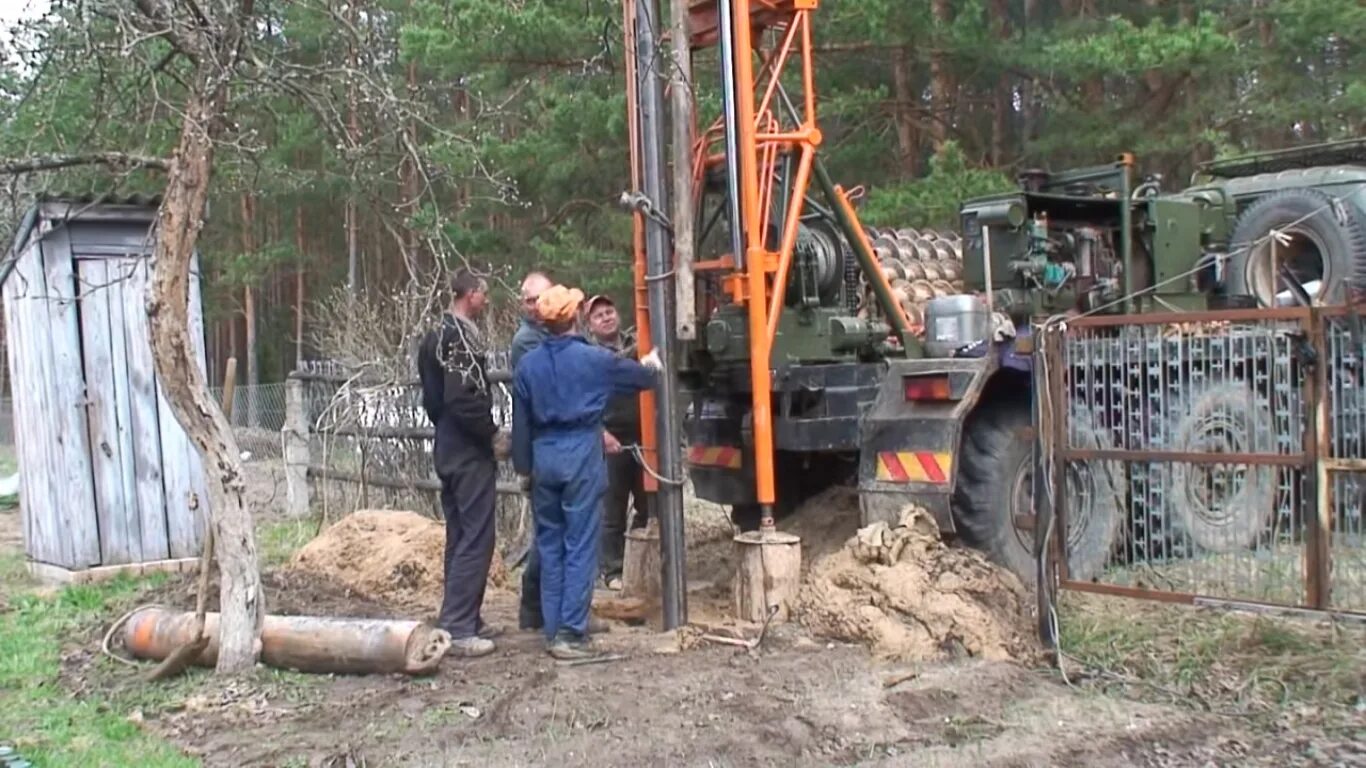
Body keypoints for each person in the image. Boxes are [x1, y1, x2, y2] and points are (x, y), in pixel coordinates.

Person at [511, 285, 661, 659]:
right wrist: (654, 361)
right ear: (576, 316)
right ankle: (570, 633)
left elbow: (521, 425)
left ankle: (554, 626)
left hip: (544, 456)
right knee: (580, 545)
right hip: (579, 453)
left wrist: (524, 469)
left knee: (550, 543)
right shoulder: (593, 359)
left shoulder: (528, 365)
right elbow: (644, 378)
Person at [416, 269, 501, 657]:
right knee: (476, 536)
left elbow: (433, 400)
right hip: (468, 450)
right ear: (469, 295)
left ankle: (462, 615)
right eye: (483, 294)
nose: (486, 301)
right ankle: (460, 626)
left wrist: (447, 428)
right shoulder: (461, 340)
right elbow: (462, 397)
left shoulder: (433, 335)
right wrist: (490, 433)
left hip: (446, 445)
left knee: (459, 534)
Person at [583, 294, 649, 589]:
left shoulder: (639, 341)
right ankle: (613, 571)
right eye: (599, 316)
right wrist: (600, 434)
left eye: (609, 311)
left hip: (645, 434)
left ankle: (641, 561)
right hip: (611, 438)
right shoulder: (590, 355)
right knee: (613, 509)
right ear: (590, 326)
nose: (607, 317)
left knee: (649, 504)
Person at [510, 270, 553, 631]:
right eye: (530, 300)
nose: (537, 306)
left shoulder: (550, 333)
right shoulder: (528, 342)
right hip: (543, 449)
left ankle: (540, 608)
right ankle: (534, 605)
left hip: (549, 449)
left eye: (542, 298)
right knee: (548, 534)